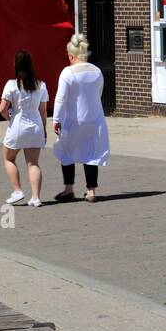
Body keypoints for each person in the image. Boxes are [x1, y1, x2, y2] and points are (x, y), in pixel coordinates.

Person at [52, 33, 110, 203]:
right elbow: (98, 93)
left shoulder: (67, 73)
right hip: (94, 118)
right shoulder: (97, 71)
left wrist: (56, 119)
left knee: (66, 151)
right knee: (91, 152)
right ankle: (91, 190)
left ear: (71, 55)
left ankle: (68, 189)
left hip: (73, 119)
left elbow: (61, 98)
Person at [0, 50, 48, 207]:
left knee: (9, 158)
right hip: (36, 126)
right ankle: (36, 197)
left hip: (18, 124)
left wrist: (9, 118)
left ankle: (18, 190)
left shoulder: (12, 85)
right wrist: (44, 130)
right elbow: (43, 111)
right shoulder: (41, 85)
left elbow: (2, 108)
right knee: (33, 163)